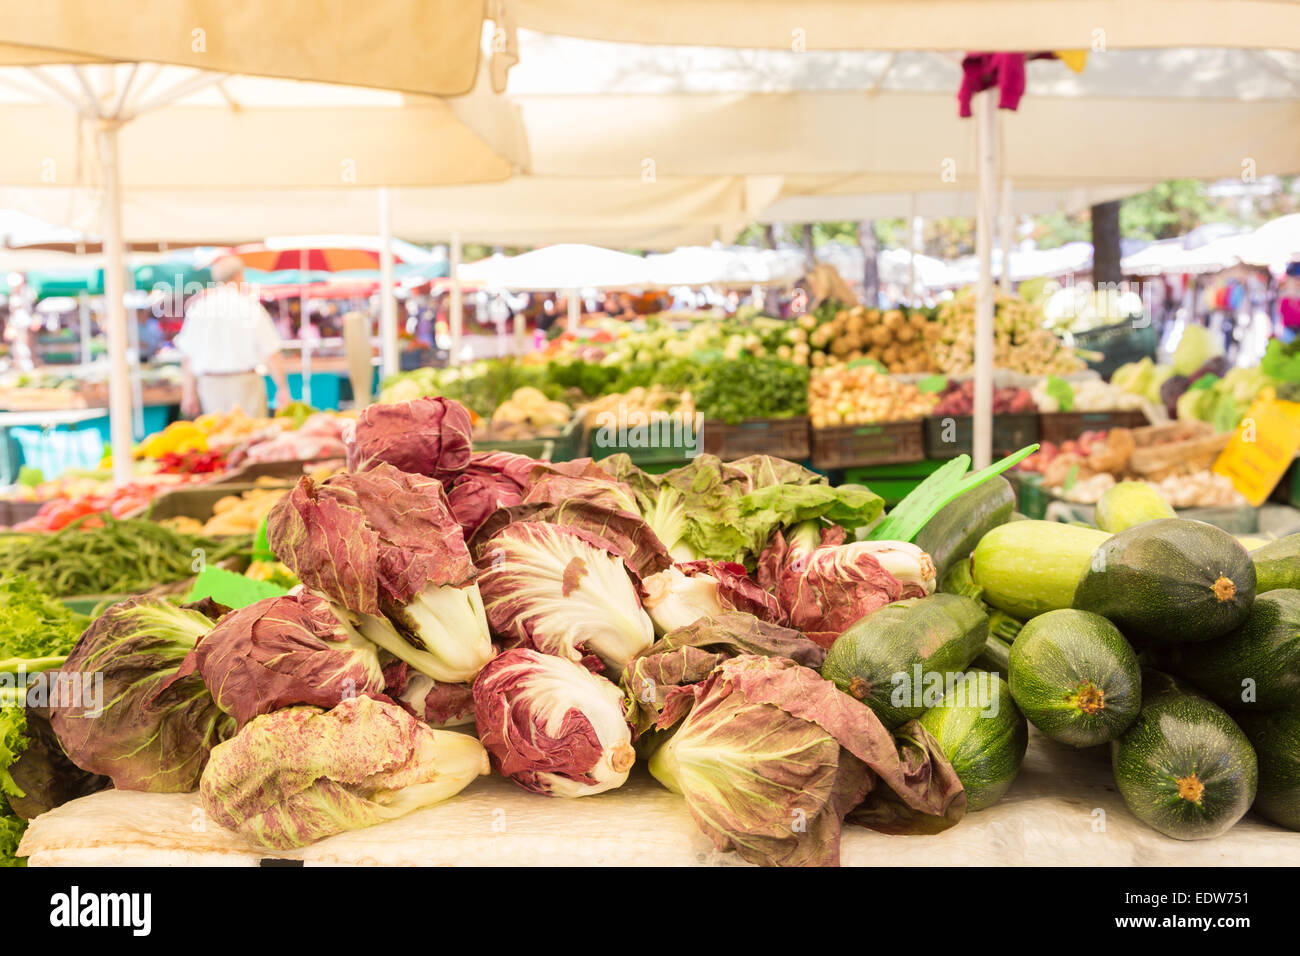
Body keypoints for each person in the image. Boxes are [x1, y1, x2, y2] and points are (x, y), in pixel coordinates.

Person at [176, 256, 291, 418]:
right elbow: (272, 352)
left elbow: (187, 356)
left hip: (210, 386)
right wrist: (283, 388)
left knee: (218, 438)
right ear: (238, 276)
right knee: (252, 437)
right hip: (245, 384)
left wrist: (188, 393)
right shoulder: (249, 307)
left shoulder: (199, 308)